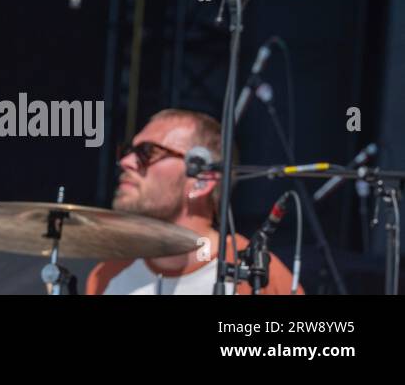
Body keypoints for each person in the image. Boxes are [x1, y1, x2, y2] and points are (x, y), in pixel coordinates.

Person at [87, 109, 302, 295]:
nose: (125, 162)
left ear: (202, 181)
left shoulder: (259, 277)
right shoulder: (106, 275)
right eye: (127, 152)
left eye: (147, 152)